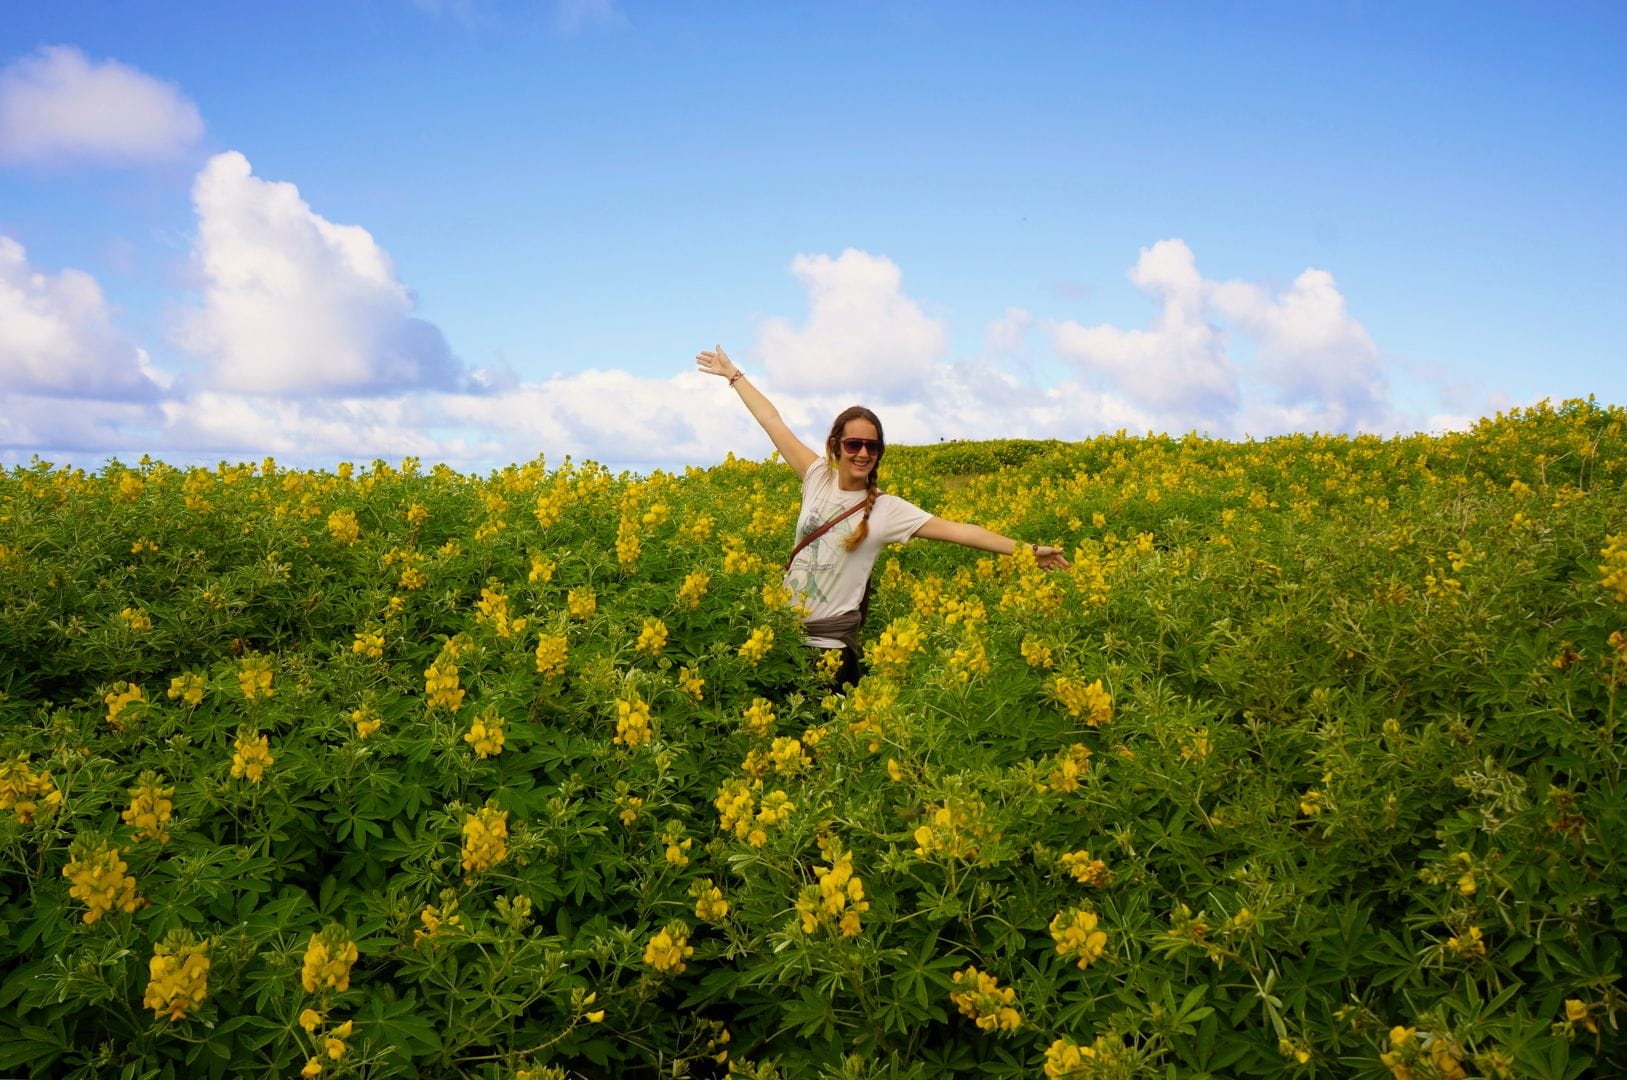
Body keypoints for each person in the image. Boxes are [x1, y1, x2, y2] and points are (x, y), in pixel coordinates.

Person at [696, 344, 1070, 687]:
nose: (862, 453)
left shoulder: (888, 510)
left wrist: (1027, 549)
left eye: (872, 446)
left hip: (832, 652)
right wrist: (734, 375)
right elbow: (772, 421)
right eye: (853, 444)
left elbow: (962, 531)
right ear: (836, 447)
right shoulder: (816, 477)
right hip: (781, 642)